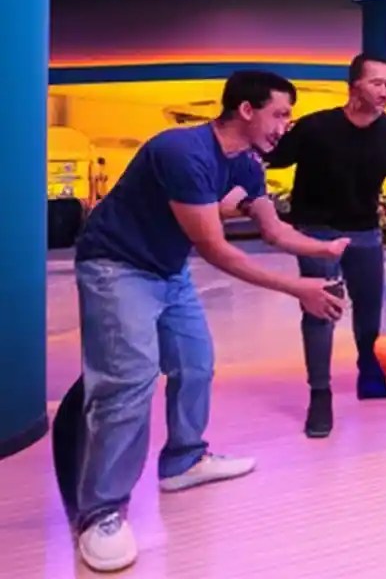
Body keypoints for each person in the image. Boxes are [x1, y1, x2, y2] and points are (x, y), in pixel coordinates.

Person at [53, 70, 350, 574]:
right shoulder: (183, 151)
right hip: (116, 265)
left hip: (167, 269)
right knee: (129, 381)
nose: (286, 126)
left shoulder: (247, 165)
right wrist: (298, 288)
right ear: (246, 110)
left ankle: (184, 459)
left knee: (195, 363)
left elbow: (274, 231)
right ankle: (101, 512)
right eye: (280, 114)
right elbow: (216, 249)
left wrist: (323, 249)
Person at [264, 53, 386, 439]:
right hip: (315, 232)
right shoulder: (315, 127)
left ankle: (369, 375)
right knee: (321, 313)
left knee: (370, 311)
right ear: (354, 85)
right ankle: (320, 394)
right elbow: (268, 159)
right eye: (378, 83)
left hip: (365, 233)